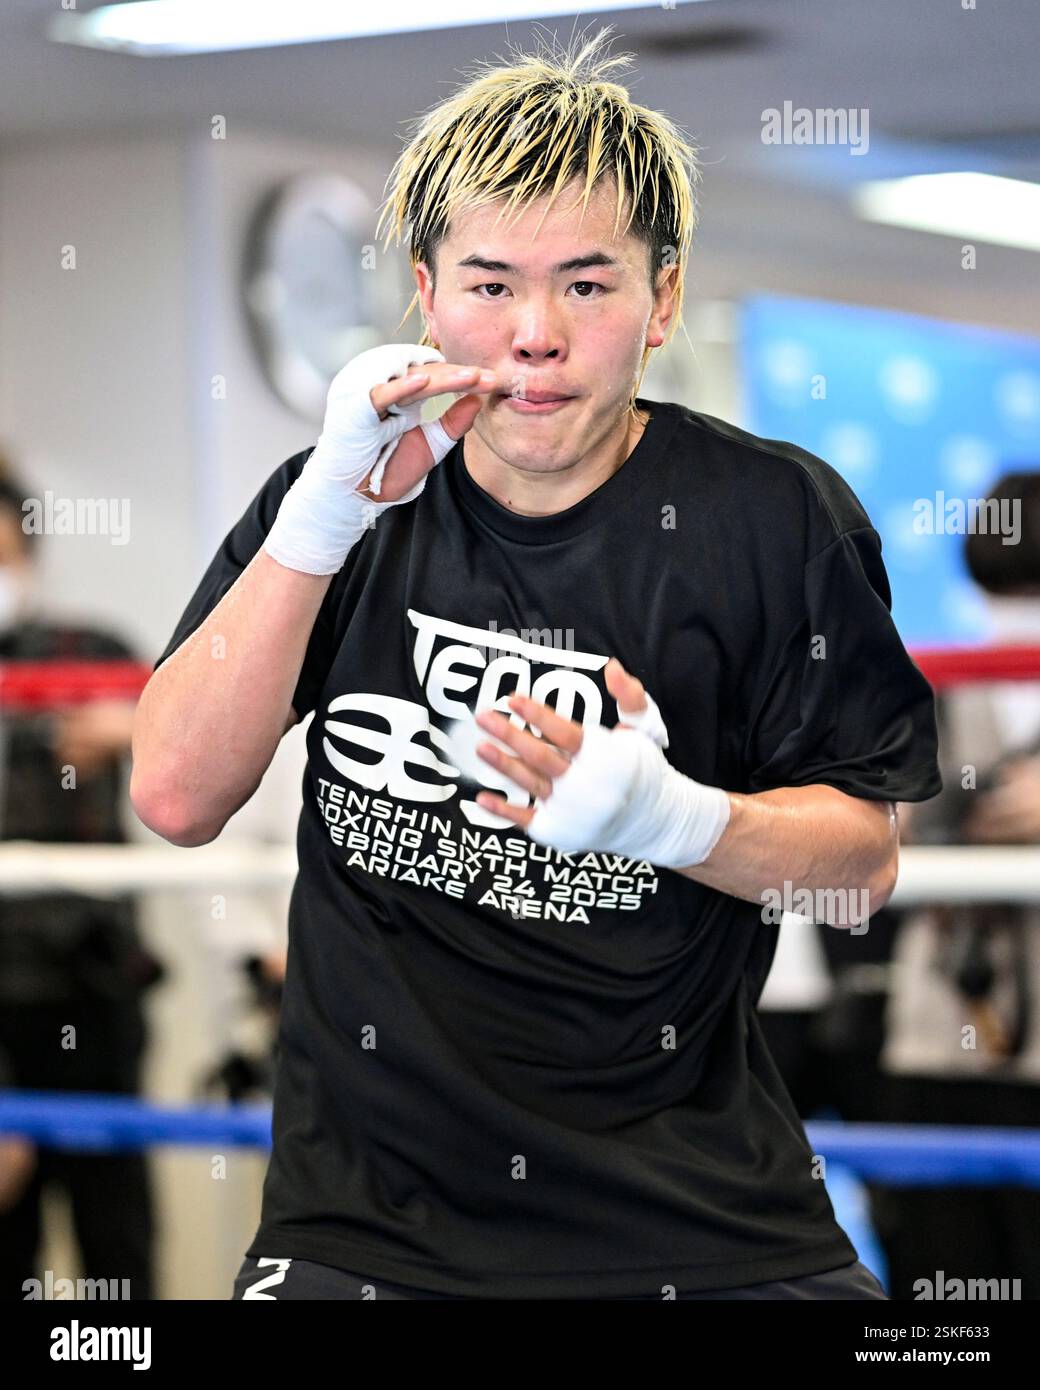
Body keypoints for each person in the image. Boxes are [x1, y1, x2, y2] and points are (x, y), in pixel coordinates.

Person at [132, 28, 941, 1300]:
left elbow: (860, 866)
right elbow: (175, 796)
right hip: (369, 1223)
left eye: (586, 283)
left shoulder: (772, 519)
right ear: (424, 291)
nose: (534, 336)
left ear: (661, 298)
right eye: (491, 282)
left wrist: (667, 816)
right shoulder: (336, 498)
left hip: (700, 1220)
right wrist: (320, 521)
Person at [874, 470, 1040, 1301]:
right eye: (1002, 593)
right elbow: (877, 830)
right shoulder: (938, 677)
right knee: (944, 1286)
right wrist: (964, 807)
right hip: (945, 1017)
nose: (1014, 615)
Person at [0, 465, 160, 1300]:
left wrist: (136, 726)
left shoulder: (93, 651)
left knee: (112, 1237)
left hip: (89, 982)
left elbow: (191, 756)